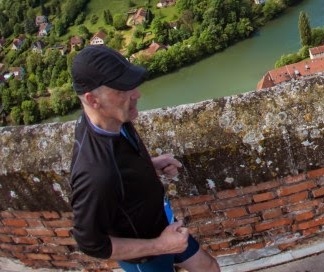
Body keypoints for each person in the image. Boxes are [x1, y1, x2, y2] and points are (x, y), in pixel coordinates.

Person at [69, 45, 220, 272]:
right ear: (93, 100)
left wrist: (149, 165)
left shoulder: (113, 118)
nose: (136, 93)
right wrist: (160, 246)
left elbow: (121, 164)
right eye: (121, 89)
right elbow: (91, 244)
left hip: (164, 226)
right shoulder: (96, 174)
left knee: (209, 268)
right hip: (147, 256)